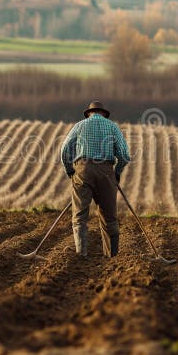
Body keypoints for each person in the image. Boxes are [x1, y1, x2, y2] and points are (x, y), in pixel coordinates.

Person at [60, 101, 130, 258]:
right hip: (106, 172)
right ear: (104, 113)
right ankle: (112, 256)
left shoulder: (79, 126)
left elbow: (65, 150)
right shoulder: (113, 127)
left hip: (83, 170)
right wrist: (117, 173)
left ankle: (81, 254)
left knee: (79, 216)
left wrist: (70, 170)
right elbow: (124, 155)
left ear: (89, 113)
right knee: (109, 216)